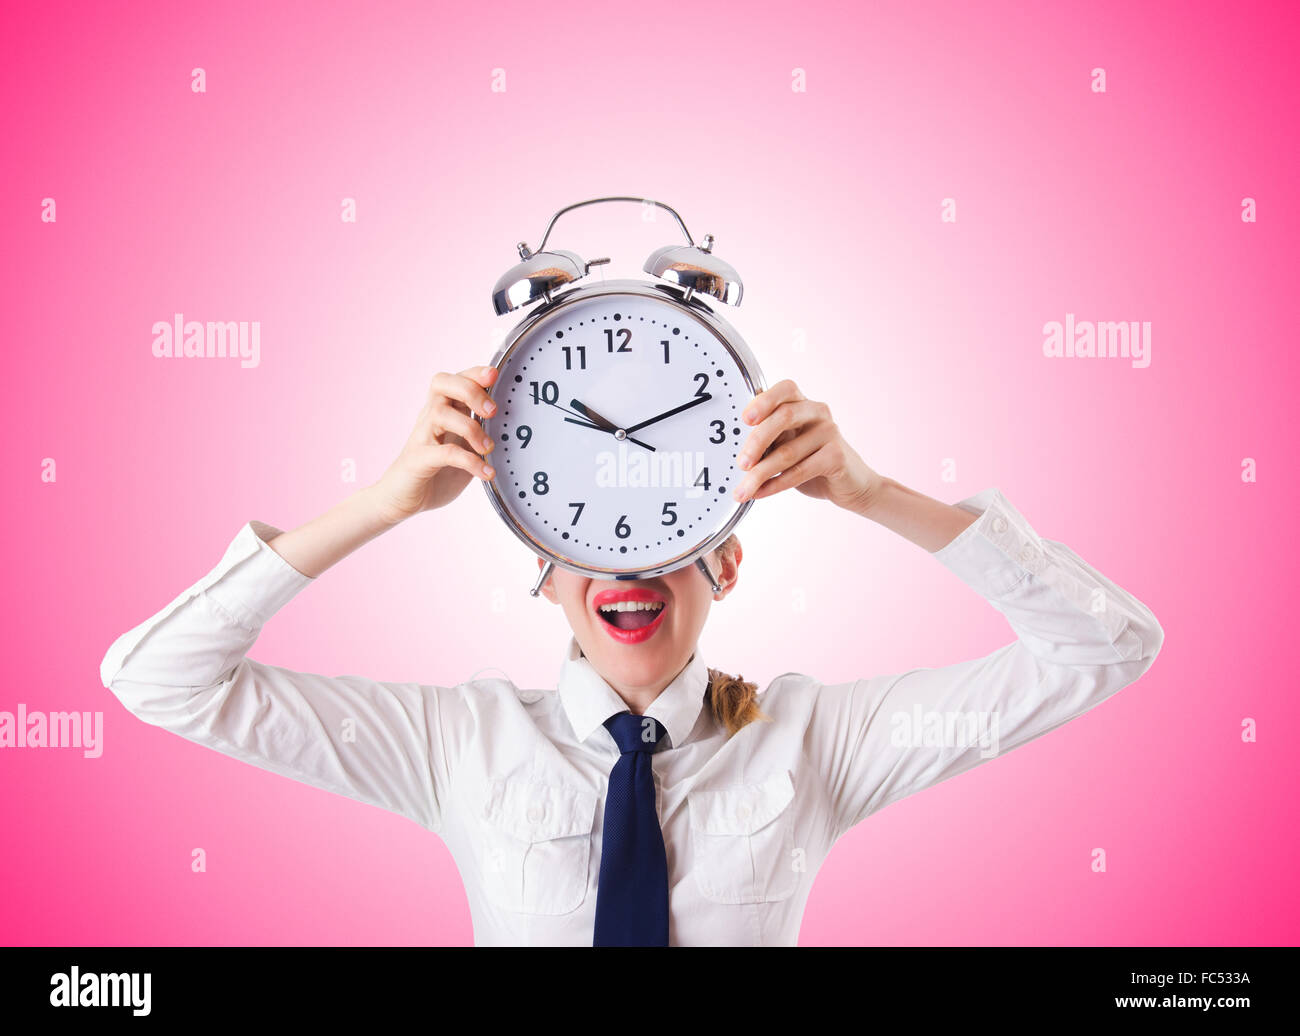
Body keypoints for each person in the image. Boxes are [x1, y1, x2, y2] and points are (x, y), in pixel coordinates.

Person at [100, 365, 1164, 946]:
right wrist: (378, 506)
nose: (628, 559)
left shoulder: (819, 745)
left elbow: (1105, 646)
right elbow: (160, 678)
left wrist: (871, 492)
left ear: (728, 564)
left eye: (666, 527)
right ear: (542, 569)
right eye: (587, 530)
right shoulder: (451, 744)